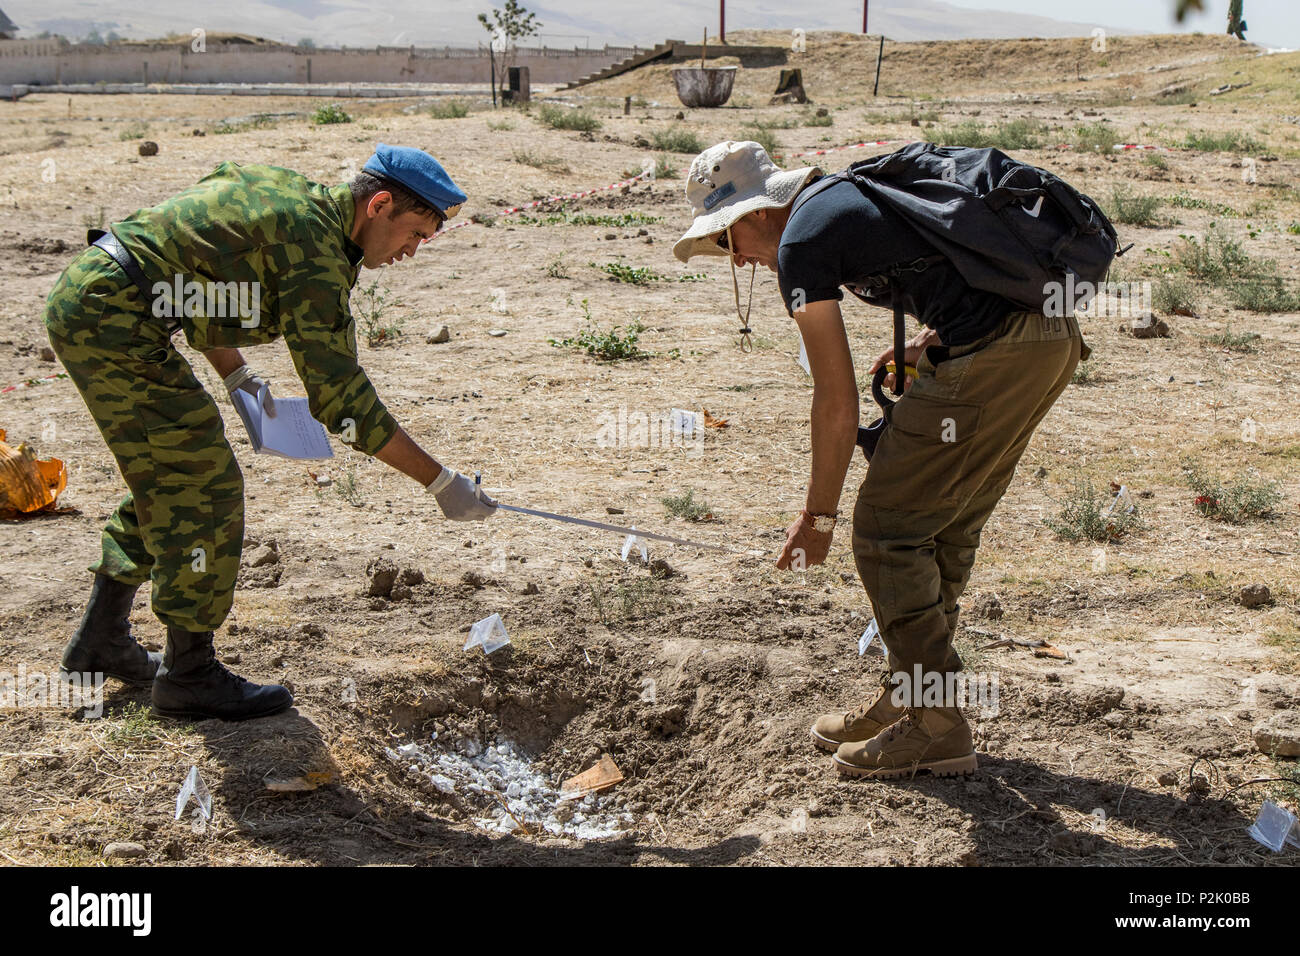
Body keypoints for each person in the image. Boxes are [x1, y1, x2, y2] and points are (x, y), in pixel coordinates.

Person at [673, 140, 1086, 779]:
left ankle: (938, 723)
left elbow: (834, 400)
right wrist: (936, 338)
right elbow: (957, 270)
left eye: (725, 243)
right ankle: (916, 689)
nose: (738, 261)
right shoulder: (842, 200)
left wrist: (818, 517)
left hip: (1001, 357)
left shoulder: (800, 244)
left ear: (756, 214)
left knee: (887, 534)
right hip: (1048, 344)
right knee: (942, 527)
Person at [46, 143, 497, 722]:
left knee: (168, 471)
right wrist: (440, 483)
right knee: (201, 483)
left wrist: (237, 376)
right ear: (379, 204)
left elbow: (196, 270)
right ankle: (188, 675)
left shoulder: (292, 196)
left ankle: (100, 641)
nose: (411, 251)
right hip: (111, 316)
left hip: (105, 298)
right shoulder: (317, 257)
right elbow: (343, 401)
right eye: (414, 234)